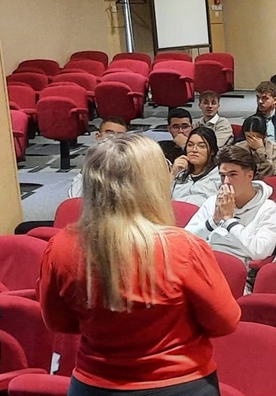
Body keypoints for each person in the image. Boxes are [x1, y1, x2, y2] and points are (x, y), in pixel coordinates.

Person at [37, 134, 240, 395]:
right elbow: (225, 322)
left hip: (95, 384)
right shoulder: (184, 248)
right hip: (180, 384)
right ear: (152, 184)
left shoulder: (60, 247)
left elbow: (58, 322)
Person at [184, 146, 276, 268]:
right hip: (204, 265)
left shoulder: (268, 209)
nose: (226, 182)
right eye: (222, 175)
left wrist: (229, 221)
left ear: (250, 176)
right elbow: (186, 239)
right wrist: (214, 221)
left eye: (233, 175)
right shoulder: (213, 202)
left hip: (237, 271)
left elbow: (260, 251)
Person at [68, 117, 129, 198]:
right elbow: (75, 198)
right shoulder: (90, 162)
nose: (114, 137)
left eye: (120, 135)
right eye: (109, 133)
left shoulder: (131, 163)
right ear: (98, 136)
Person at [171, 127, 221, 203]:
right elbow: (161, 200)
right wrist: (173, 174)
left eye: (201, 146)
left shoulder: (220, 176)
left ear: (212, 151)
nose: (194, 150)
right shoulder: (180, 173)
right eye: (190, 145)